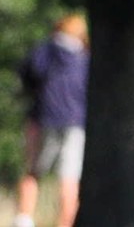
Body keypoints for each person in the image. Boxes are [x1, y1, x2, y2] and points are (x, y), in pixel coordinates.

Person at [14, 14, 90, 227]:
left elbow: (27, 78)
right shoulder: (85, 57)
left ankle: (23, 219)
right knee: (70, 179)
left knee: (33, 170)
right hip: (76, 123)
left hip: (43, 120)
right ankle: (65, 223)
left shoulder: (43, 52)